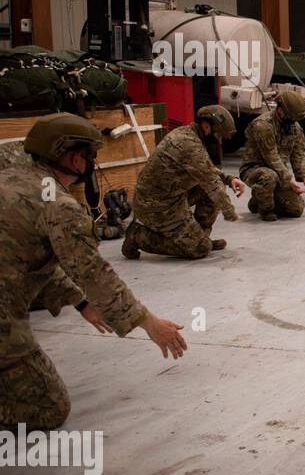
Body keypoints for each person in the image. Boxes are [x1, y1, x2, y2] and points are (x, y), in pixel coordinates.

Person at [0, 114, 187, 429]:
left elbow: (29, 260)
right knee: (49, 407)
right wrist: (149, 323)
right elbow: (94, 273)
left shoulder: (10, 177)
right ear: (75, 158)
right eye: (90, 156)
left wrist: (81, 302)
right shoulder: (59, 206)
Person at [123, 104, 243, 259]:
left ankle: (198, 237)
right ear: (206, 126)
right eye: (218, 135)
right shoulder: (189, 144)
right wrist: (230, 213)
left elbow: (206, 171)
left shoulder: (190, 135)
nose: (219, 141)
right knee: (201, 249)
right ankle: (138, 236)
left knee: (216, 186)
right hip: (155, 205)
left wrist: (229, 179)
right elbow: (211, 182)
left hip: (171, 195)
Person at [240, 89, 305, 222]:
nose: (293, 121)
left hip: (279, 173)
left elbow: (298, 153)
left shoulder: (294, 127)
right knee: (269, 176)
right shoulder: (263, 125)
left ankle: (258, 199)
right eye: (291, 117)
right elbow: (272, 158)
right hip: (254, 170)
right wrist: (289, 180)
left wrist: (304, 176)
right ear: (280, 110)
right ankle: (265, 209)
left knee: (296, 209)